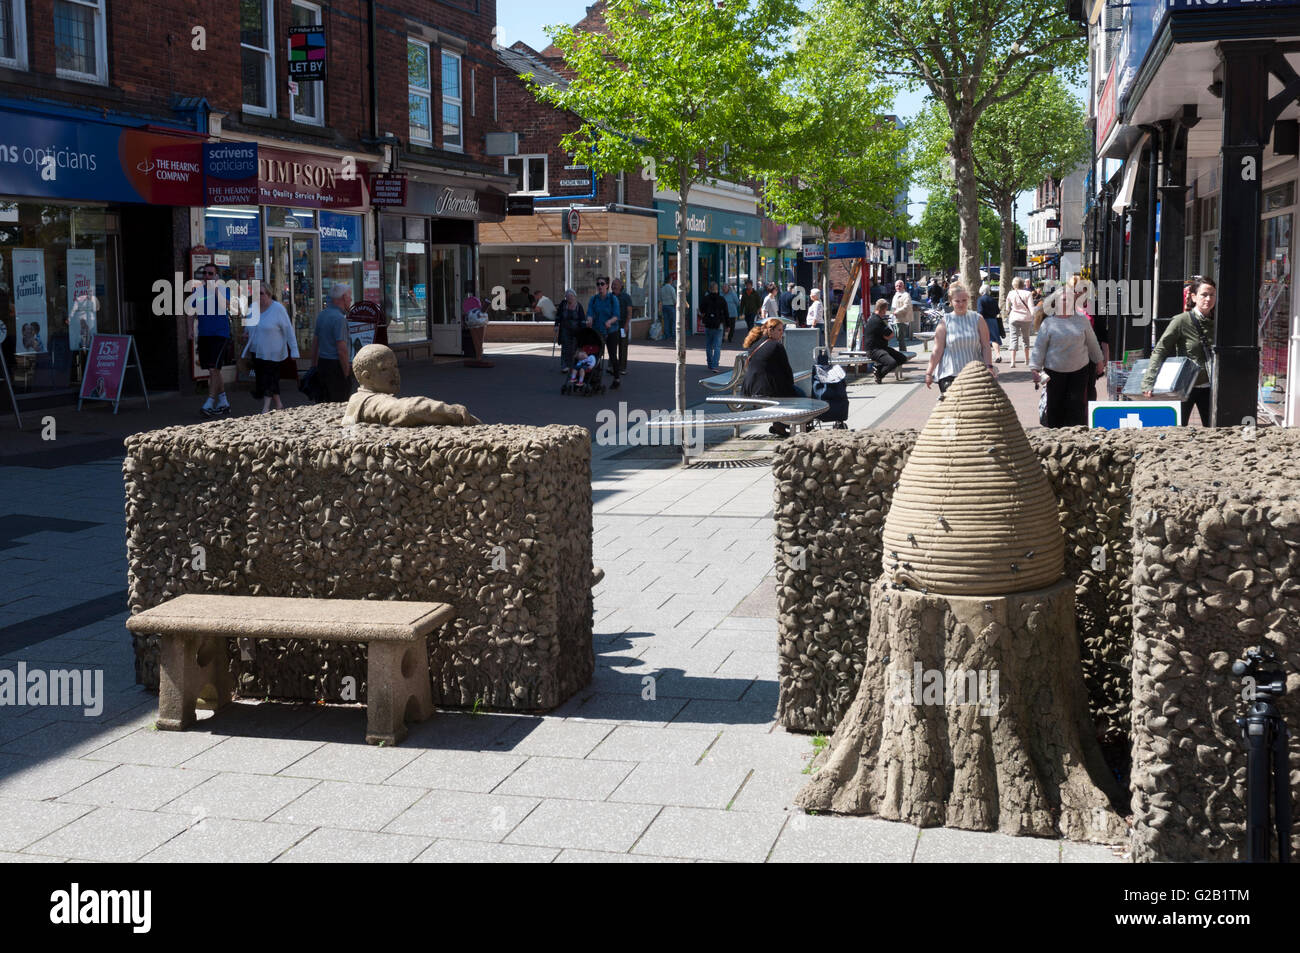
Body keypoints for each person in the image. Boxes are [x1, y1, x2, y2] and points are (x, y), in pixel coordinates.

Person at [1142, 276, 1216, 426]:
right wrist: (1149, 381)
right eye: (1204, 295)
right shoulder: (1181, 321)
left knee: (1216, 431)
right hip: (1185, 387)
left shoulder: (1219, 322)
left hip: (1211, 387)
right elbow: (1160, 350)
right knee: (1178, 429)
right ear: (1194, 297)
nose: (1208, 299)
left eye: (1212, 295)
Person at [1031, 299, 1105, 428]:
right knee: (1055, 405)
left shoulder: (1082, 320)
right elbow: (1039, 347)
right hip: (1054, 371)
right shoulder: (1048, 323)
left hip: (1079, 369)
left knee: (1077, 406)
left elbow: (1092, 343)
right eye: (1064, 299)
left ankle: (1077, 434)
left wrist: (1099, 361)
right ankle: (1055, 433)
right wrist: (1035, 368)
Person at [925, 283, 992, 394]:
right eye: (957, 301)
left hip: (974, 374)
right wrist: (929, 372)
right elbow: (937, 350)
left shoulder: (978, 319)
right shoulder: (945, 321)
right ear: (951, 301)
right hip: (949, 373)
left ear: (968, 299)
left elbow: (986, 346)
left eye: (964, 300)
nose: (961, 304)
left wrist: (989, 367)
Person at [241, 284, 298, 413]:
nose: (258, 297)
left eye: (261, 293)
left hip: (274, 351)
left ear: (269, 294)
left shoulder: (278, 309)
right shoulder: (252, 308)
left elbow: (288, 330)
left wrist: (294, 350)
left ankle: (265, 408)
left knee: (269, 377)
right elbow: (247, 328)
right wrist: (245, 334)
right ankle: (279, 404)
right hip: (257, 350)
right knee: (264, 377)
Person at [188, 263, 234, 417]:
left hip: (220, 335)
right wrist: (190, 330)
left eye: (210, 274)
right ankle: (224, 402)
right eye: (205, 273)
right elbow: (190, 310)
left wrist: (214, 289)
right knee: (213, 369)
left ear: (216, 276)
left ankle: (209, 402)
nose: (207, 276)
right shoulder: (198, 290)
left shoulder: (223, 289)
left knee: (214, 368)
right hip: (204, 334)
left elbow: (226, 305)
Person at [742, 317, 799, 436]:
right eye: (779, 330)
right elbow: (787, 370)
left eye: (782, 330)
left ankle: (779, 425)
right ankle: (782, 425)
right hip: (764, 388)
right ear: (770, 330)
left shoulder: (754, 344)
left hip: (748, 387)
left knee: (783, 391)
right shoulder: (776, 346)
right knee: (798, 394)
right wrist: (791, 385)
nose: (782, 333)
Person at [312, 282, 352, 402]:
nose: (350, 299)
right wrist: (347, 374)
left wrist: (313, 366)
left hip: (322, 364)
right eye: (349, 296)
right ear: (343, 297)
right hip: (336, 367)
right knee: (339, 403)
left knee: (323, 403)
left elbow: (315, 343)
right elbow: (342, 350)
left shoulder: (322, 315)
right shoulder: (339, 319)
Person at [864, 298, 910, 384]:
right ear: (883, 309)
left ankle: (878, 369)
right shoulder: (877, 321)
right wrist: (886, 337)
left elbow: (888, 335)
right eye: (886, 309)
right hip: (874, 350)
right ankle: (879, 375)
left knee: (902, 358)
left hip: (882, 347)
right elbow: (891, 334)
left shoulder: (874, 318)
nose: (886, 311)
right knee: (891, 363)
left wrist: (886, 337)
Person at [588, 276, 621, 389]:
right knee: (596, 355)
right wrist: (589, 319)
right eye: (598, 284)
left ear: (607, 285)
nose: (600, 286)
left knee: (612, 355)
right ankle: (595, 378)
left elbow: (616, 315)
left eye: (602, 284)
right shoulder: (594, 299)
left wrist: (610, 321)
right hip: (598, 330)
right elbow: (590, 313)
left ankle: (616, 379)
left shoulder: (612, 299)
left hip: (611, 331)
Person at [1004, 276, 1034, 367]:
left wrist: (1008, 310)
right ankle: (1027, 359)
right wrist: (1033, 316)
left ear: (1014, 285)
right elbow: (1031, 307)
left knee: (1013, 338)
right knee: (1026, 338)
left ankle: (1013, 361)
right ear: (1023, 284)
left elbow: (1007, 307)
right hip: (1026, 318)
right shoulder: (1028, 293)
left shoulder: (1011, 293)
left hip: (1014, 317)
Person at [555, 289, 586, 372]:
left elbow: (582, 319)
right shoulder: (563, 305)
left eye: (571, 296)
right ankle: (564, 365)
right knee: (565, 348)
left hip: (576, 331)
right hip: (565, 330)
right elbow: (558, 315)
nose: (570, 298)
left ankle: (573, 365)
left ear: (575, 297)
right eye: (568, 296)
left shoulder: (578, 306)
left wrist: (583, 331)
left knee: (574, 348)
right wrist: (556, 325)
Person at [700, 281, 728, 372]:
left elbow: (701, 310)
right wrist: (728, 325)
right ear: (717, 289)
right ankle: (715, 366)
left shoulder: (705, 299)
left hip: (708, 324)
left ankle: (710, 363)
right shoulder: (721, 299)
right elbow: (726, 313)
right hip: (718, 324)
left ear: (709, 289)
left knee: (708, 345)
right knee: (717, 346)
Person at [611, 276, 633, 374]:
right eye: (612, 284)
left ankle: (622, 368)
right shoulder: (610, 296)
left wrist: (627, 325)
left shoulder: (626, 297)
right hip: (612, 326)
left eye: (615, 284)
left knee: (623, 346)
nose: (613, 286)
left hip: (623, 326)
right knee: (612, 346)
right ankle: (612, 366)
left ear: (621, 286)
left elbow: (629, 312)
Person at [977, 283, 1002, 363]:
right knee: (994, 339)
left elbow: (980, 311)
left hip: (984, 320)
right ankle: (998, 355)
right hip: (993, 321)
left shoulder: (980, 299)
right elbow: (997, 311)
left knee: (983, 339)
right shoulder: (993, 299)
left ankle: (984, 357)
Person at [890, 280, 913, 345]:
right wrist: (891, 314)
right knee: (898, 338)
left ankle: (902, 351)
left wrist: (897, 312)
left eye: (900, 286)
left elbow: (907, 306)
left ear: (903, 286)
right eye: (896, 286)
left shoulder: (906, 295)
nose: (898, 287)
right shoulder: (896, 294)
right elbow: (893, 306)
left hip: (902, 319)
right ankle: (901, 350)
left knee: (901, 339)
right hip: (895, 319)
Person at [660, 275, 676, 339]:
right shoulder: (671, 288)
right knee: (673, 321)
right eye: (671, 280)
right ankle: (673, 334)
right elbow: (674, 298)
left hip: (664, 306)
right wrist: (676, 304)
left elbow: (660, 298)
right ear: (670, 281)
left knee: (666, 321)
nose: (672, 281)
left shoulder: (662, 288)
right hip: (671, 306)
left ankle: (667, 335)